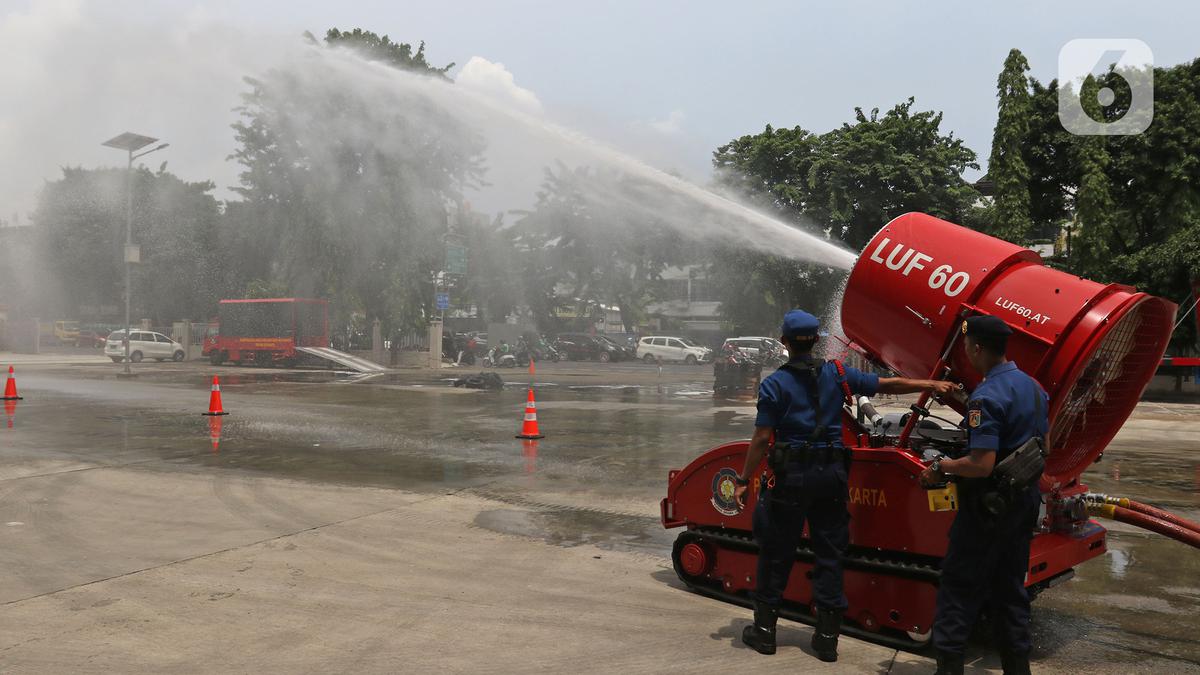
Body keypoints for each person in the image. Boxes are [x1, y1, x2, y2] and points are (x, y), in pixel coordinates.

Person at [734, 309, 957, 662]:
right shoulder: (837, 374)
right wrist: (931, 385)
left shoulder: (775, 384)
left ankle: (764, 633)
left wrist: (744, 480)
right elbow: (888, 385)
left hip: (791, 478)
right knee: (830, 553)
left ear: (784, 343)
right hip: (831, 477)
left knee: (777, 552)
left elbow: (762, 438)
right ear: (817, 341)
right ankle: (826, 640)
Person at [919, 315, 1047, 675]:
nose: (966, 353)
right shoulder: (1034, 389)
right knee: (1010, 593)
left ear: (976, 348)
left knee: (959, 591)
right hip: (1023, 503)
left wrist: (942, 466)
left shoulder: (987, 396)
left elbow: (981, 465)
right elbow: (1045, 445)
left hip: (987, 510)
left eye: (966, 347)